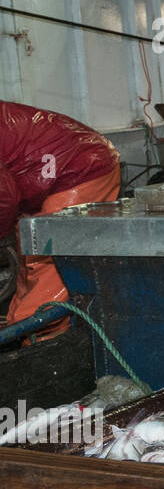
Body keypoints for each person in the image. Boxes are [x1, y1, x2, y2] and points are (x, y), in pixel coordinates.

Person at [0, 101, 121, 339]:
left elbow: (4, 197)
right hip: (40, 179)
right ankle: (19, 330)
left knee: (50, 260)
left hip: (80, 169)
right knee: (31, 260)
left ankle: (42, 346)